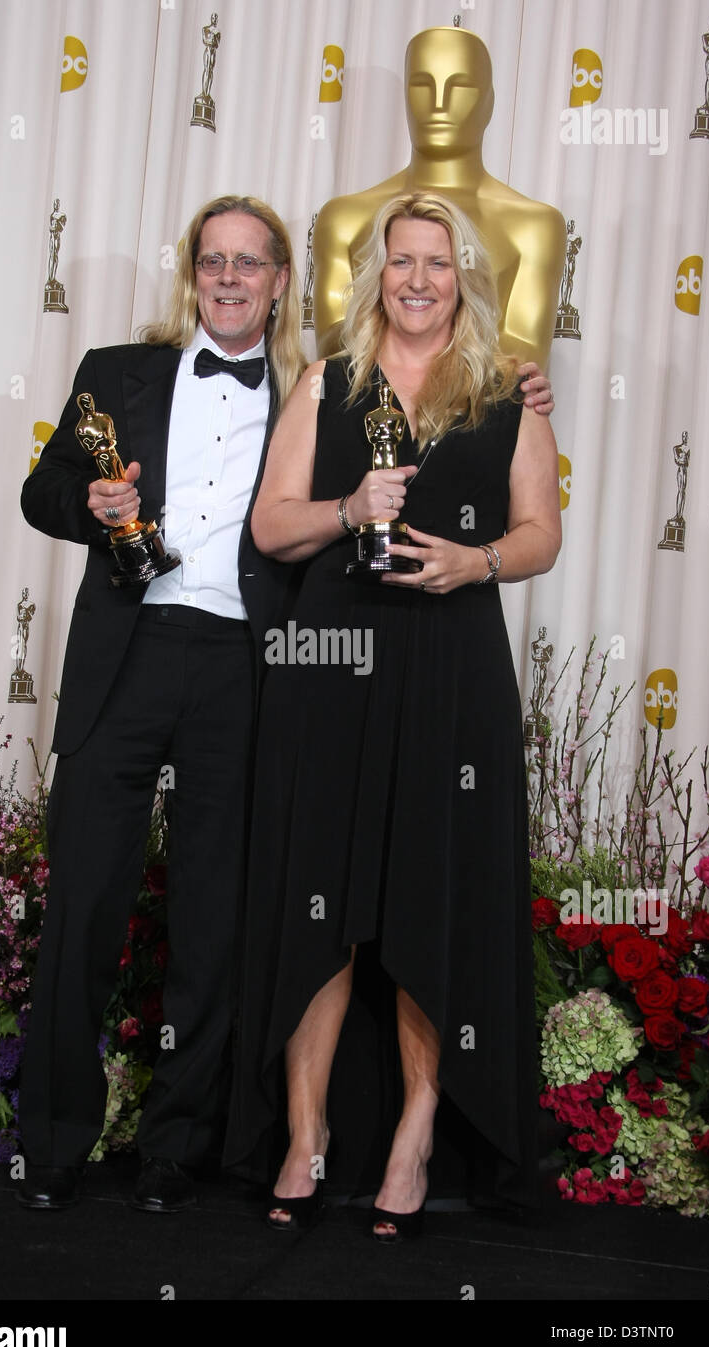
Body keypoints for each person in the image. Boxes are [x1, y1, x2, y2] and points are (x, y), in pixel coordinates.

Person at [224, 191, 561, 1240]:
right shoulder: (327, 382)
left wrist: (479, 561)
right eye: (401, 260)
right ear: (377, 273)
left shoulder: (507, 387)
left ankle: (415, 1137)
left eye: (437, 262)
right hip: (331, 665)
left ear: (463, 274)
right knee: (316, 910)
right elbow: (271, 526)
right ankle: (304, 1132)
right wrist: (346, 510)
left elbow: (540, 532)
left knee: (426, 899)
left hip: (452, 670)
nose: (417, 279)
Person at [17, 195, 304, 1212]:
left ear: (278, 281)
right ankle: (50, 1138)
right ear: (193, 274)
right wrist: (90, 510)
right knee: (86, 896)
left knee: (214, 913)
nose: (229, 278)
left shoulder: (317, 392)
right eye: (212, 260)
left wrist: (519, 391)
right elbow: (40, 490)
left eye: (249, 263)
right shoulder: (114, 370)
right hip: (127, 654)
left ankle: (178, 1145)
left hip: (245, 668)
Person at [312, 26, 566, 371]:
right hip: (367, 420)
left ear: (489, 103)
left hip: (481, 422)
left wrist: (407, 346)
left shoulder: (534, 226)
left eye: (459, 87)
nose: (439, 103)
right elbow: (333, 351)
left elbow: (523, 359)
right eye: (422, 85)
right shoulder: (343, 219)